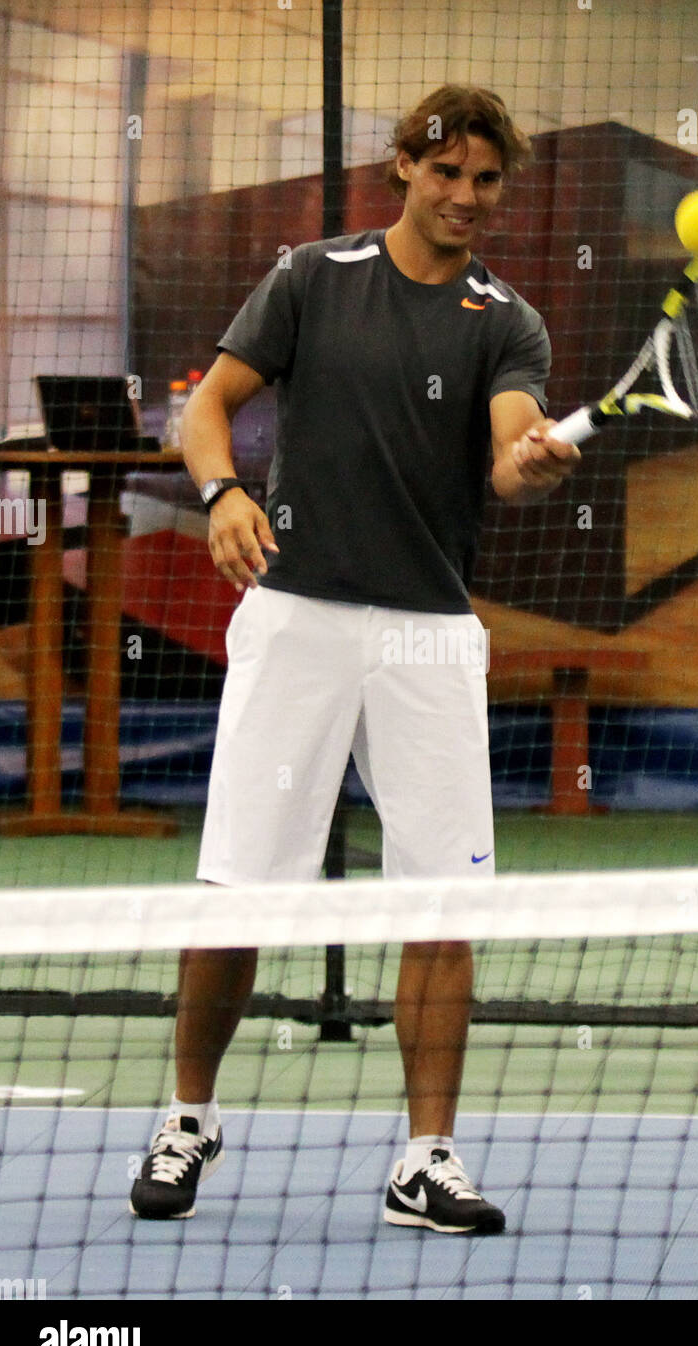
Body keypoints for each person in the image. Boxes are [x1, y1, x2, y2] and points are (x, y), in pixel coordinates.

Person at [130, 84, 579, 1234]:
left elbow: (504, 449)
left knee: (443, 901)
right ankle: (186, 1118)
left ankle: (423, 1159)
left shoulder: (502, 320)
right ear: (403, 169)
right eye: (448, 174)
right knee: (236, 886)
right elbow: (205, 412)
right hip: (295, 620)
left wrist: (526, 468)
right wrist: (225, 491)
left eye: (486, 181)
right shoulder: (310, 280)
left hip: (426, 636)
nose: (467, 197)